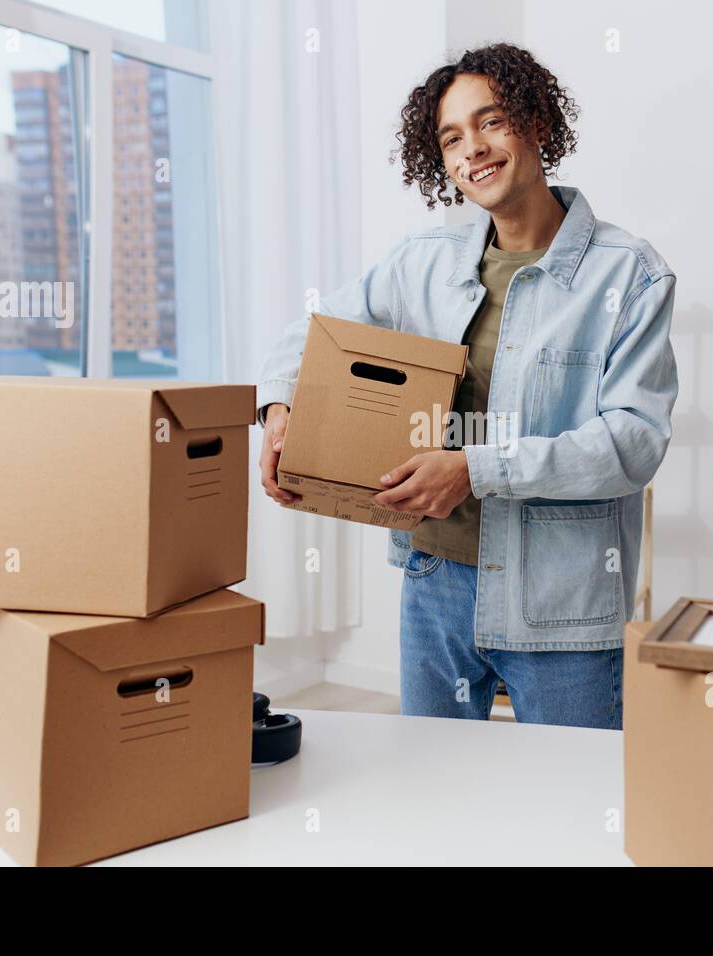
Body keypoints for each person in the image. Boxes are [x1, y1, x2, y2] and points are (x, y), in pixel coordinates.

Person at [257, 43, 678, 729]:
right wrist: (281, 408)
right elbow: (314, 333)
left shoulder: (629, 274)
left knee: (567, 808)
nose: (471, 150)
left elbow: (633, 443)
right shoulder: (422, 262)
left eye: (491, 122)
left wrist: (474, 469)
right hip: (433, 584)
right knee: (429, 797)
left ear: (537, 123)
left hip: (561, 605)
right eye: (451, 138)